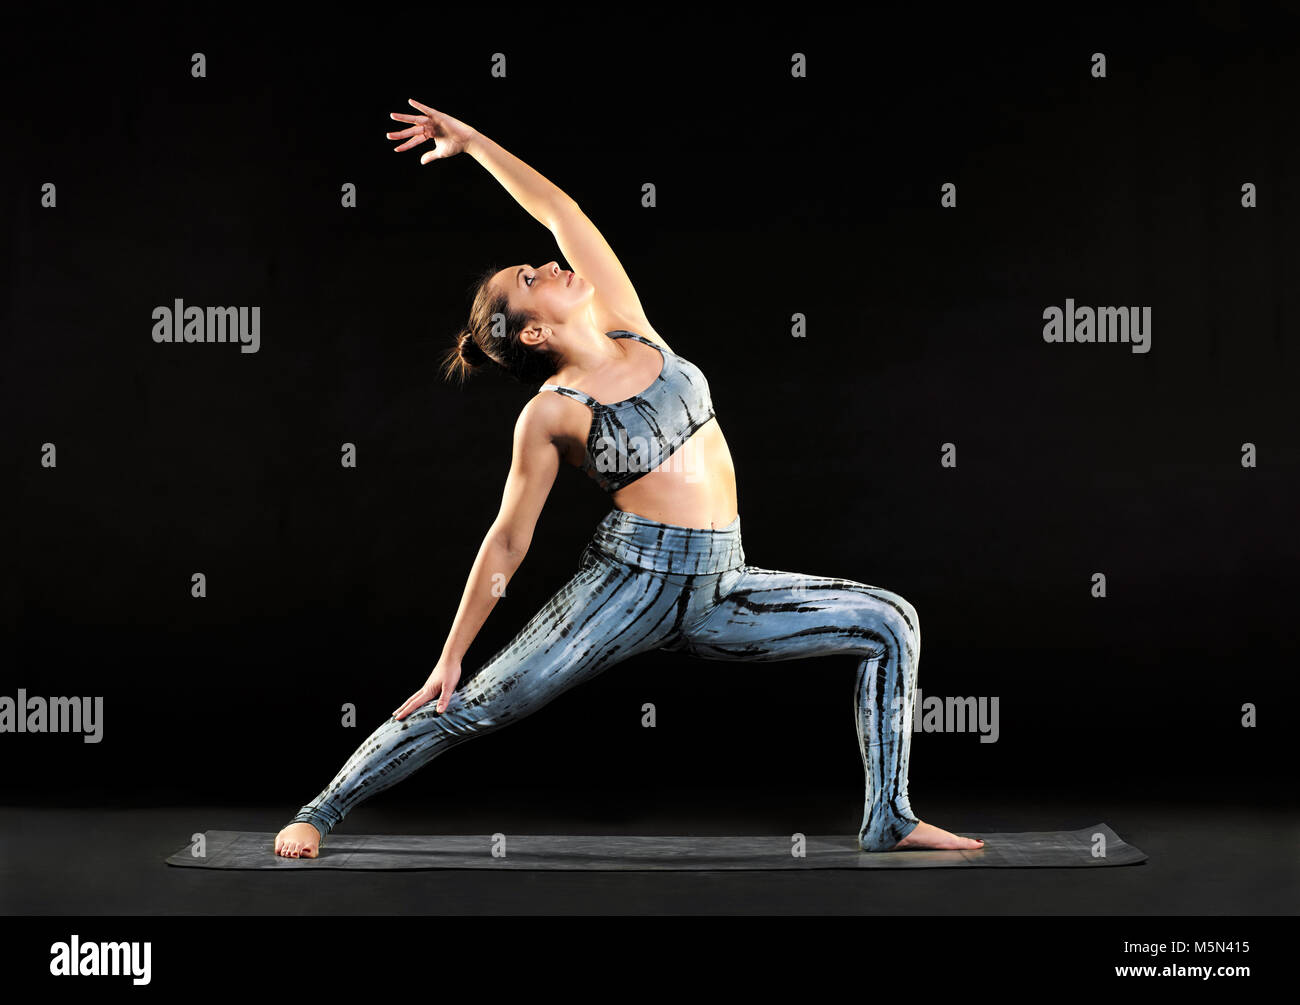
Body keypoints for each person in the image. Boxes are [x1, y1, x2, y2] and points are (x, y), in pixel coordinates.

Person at [273, 100, 984, 859]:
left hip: (723, 584)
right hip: (627, 586)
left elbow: (560, 208)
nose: (548, 264)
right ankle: (319, 809)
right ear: (535, 332)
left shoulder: (629, 323)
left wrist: (475, 143)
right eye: (531, 276)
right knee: (473, 703)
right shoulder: (552, 413)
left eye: (538, 261)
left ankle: (890, 815)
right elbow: (508, 539)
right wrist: (450, 653)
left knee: (890, 622)